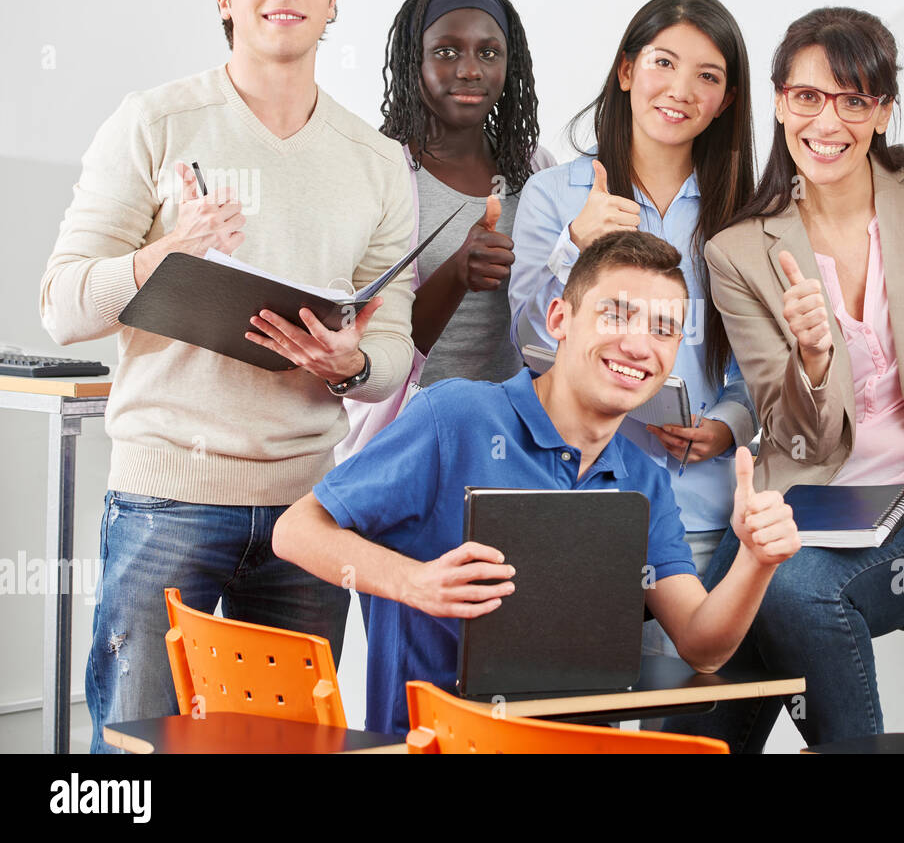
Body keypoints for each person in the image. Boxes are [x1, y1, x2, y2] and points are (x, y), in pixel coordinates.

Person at [38, 0, 415, 752]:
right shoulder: (156, 121)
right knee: (132, 755)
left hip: (306, 511)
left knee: (289, 749)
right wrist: (163, 256)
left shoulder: (376, 163)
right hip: (165, 496)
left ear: (331, 1)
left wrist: (350, 363)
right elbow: (60, 305)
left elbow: (390, 347)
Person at [273, 232, 800, 734]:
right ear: (558, 319)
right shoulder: (456, 416)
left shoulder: (644, 482)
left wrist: (755, 562)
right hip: (437, 740)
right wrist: (415, 583)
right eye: (615, 315)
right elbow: (296, 531)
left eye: (663, 329)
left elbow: (701, 645)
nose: (639, 345)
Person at [666, 7, 904, 751]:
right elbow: (793, 428)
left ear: (882, 110)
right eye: (807, 97)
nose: (827, 121)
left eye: (854, 99)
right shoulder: (740, 249)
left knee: (796, 589)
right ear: (779, 102)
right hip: (806, 499)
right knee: (694, 697)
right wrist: (812, 358)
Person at [508, 0, 758, 586]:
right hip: (579, 500)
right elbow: (524, 342)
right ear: (626, 70)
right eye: (662, 62)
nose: (680, 90)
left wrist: (725, 426)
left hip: (706, 514)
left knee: (699, 674)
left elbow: (757, 366)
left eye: (707, 76)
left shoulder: (747, 216)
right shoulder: (556, 195)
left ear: (724, 101)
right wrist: (574, 247)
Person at [336, 0, 553, 459]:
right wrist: (457, 272)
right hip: (402, 436)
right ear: (413, 61)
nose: (471, 70)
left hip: (509, 435)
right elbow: (364, 334)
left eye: (489, 53)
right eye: (447, 52)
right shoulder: (379, 169)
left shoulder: (535, 168)